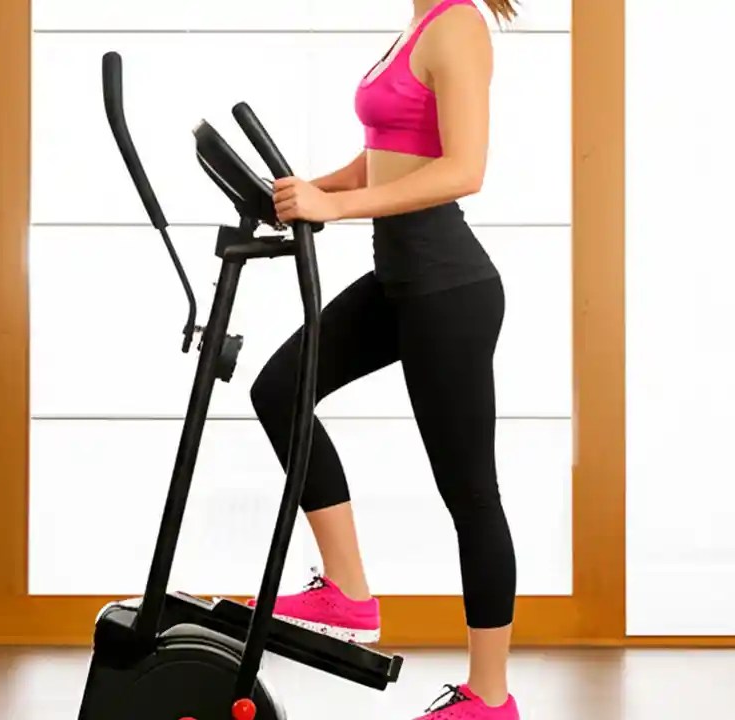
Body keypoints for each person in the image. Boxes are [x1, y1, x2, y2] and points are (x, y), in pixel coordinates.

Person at [246, 0, 524, 717]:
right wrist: (307, 189)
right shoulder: (416, 23)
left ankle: (489, 697)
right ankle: (348, 592)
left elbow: (464, 170)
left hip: (449, 291)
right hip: (399, 284)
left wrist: (333, 210)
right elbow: (384, 152)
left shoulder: (458, 24)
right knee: (279, 390)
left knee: (471, 495)